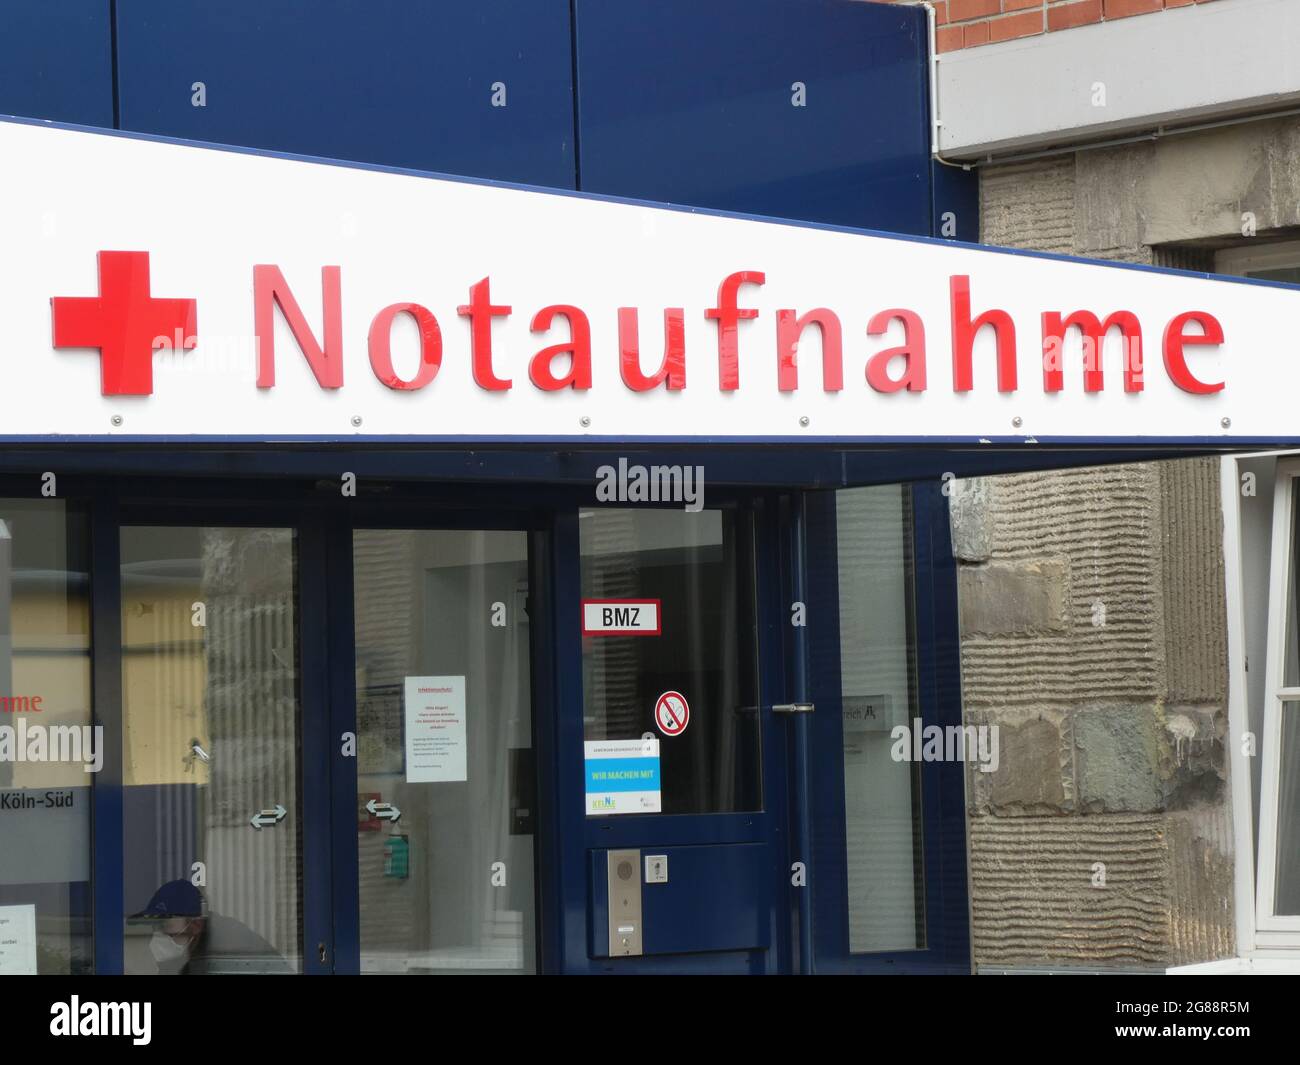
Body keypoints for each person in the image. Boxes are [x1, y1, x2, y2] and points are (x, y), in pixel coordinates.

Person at [134, 880, 292, 974]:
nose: (157, 935)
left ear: (195, 925)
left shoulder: (226, 950)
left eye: (164, 925)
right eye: (155, 926)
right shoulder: (193, 950)